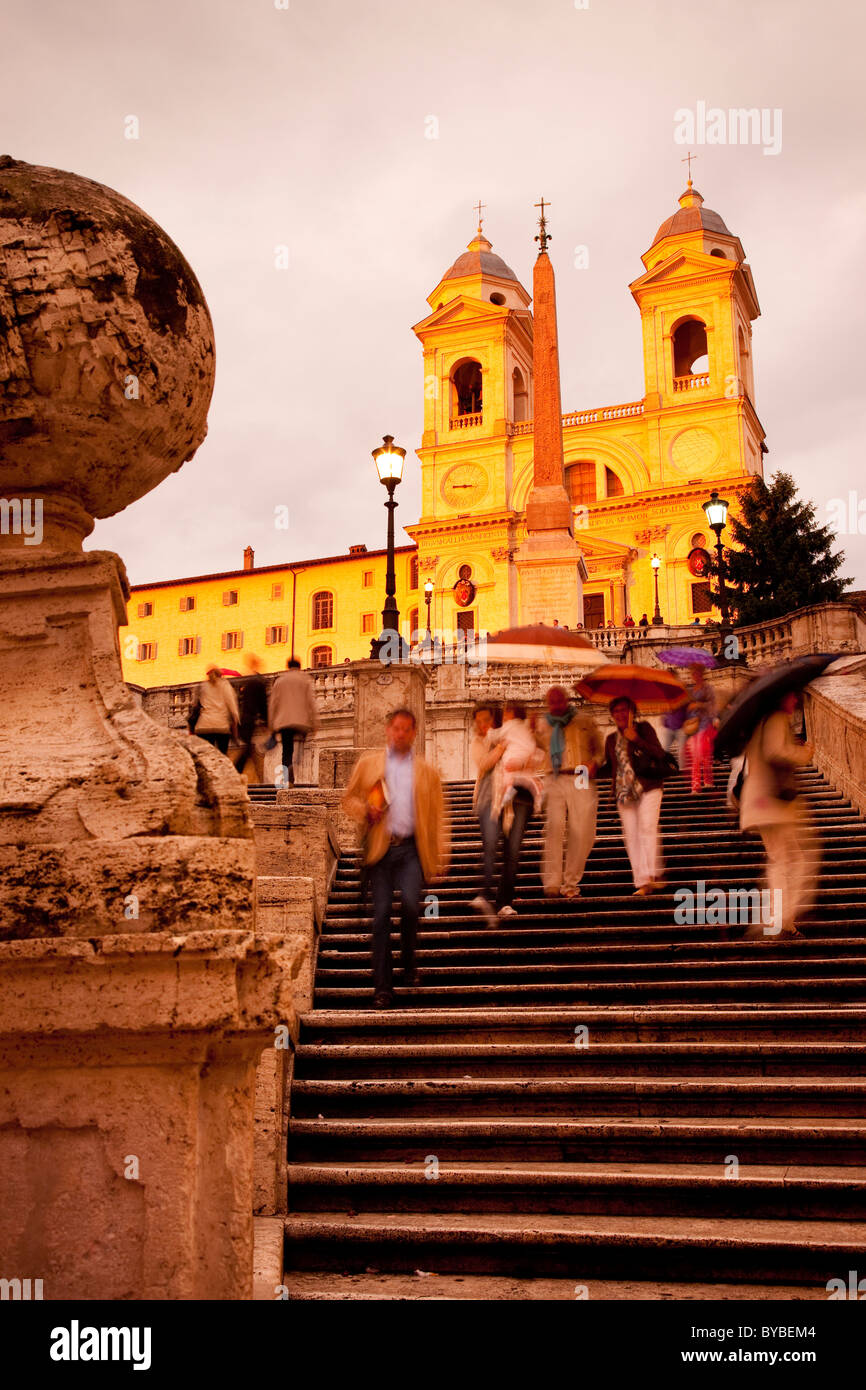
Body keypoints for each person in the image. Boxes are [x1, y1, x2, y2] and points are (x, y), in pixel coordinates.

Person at [342, 708, 449, 1007]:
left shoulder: (427, 771)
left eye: (406, 729)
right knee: (381, 916)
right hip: (381, 849)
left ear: (414, 733)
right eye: (396, 728)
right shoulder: (369, 764)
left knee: (413, 907)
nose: (400, 733)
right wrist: (366, 810)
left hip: (413, 849)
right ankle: (383, 987)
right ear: (387, 730)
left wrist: (440, 855)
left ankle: (409, 960)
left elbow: (439, 815)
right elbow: (347, 799)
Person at [739, 692, 815, 938]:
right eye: (792, 696)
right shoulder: (776, 718)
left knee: (784, 858)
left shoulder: (759, 723)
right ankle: (780, 916)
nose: (795, 701)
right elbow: (775, 752)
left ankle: (780, 916)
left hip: (761, 801)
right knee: (794, 860)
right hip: (771, 802)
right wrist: (803, 753)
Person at [534, 687, 602, 899]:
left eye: (558, 701)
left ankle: (571, 882)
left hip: (580, 772)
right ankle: (553, 882)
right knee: (554, 828)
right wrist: (529, 733)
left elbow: (598, 748)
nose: (555, 706)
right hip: (554, 775)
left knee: (581, 831)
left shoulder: (584, 720)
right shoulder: (542, 724)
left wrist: (594, 761)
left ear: (566, 700)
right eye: (551, 702)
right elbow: (534, 749)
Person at [599, 696, 667, 896]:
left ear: (632, 712)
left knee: (647, 827)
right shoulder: (611, 739)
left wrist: (636, 739)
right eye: (617, 711)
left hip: (648, 785)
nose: (621, 714)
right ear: (612, 715)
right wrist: (587, 769)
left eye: (624, 710)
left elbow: (659, 753)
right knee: (631, 835)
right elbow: (610, 768)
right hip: (624, 791)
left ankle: (652, 874)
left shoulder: (644, 729)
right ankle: (642, 880)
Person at [487, 700, 541, 918]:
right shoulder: (527, 731)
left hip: (516, 790)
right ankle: (502, 899)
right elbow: (539, 756)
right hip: (524, 790)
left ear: (510, 714)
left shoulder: (511, 727)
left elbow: (492, 735)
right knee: (511, 848)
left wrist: (488, 728)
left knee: (511, 849)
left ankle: (502, 901)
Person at [469, 703, 502, 925]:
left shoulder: (507, 736)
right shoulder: (478, 743)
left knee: (508, 849)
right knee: (490, 844)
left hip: (509, 800)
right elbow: (483, 764)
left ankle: (502, 898)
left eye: (486, 720)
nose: (482, 725)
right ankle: (486, 892)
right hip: (487, 801)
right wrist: (501, 748)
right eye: (478, 721)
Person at [268, 656, 319, 786]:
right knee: (301, 745)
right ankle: (296, 761)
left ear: (288, 666)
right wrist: (315, 722)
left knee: (287, 750)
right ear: (299, 666)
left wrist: (271, 723)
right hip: (301, 721)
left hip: (284, 721)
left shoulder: (280, 681)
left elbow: (273, 703)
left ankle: (288, 778)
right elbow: (311, 702)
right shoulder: (305, 680)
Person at [232, 653, 268, 782]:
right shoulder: (259, 682)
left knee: (249, 749)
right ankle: (236, 770)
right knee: (248, 749)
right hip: (250, 718)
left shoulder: (248, 682)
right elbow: (262, 703)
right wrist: (266, 721)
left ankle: (242, 771)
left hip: (244, 718)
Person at [683, 663, 719, 793]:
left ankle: (705, 782)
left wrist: (698, 705)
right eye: (693, 673)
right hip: (694, 726)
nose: (694, 676)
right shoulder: (692, 690)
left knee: (702, 754)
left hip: (705, 724)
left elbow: (712, 705)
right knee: (696, 755)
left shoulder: (707, 688)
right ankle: (697, 784)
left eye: (696, 673)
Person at [193, 665, 239, 755]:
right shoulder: (225, 685)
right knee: (222, 757)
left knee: (206, 757)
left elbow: (195, 704)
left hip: (203, 726)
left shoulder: (203, 686)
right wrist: (235, 719)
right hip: (221, 726)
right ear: (220, 675)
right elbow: (232, 705)